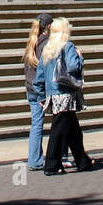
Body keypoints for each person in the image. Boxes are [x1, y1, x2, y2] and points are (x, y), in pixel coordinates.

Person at [33, 16, 95, 174]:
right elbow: (74, 67)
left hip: (53, 94)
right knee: (58, 130)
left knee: (74, 130)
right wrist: (80, 57)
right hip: (65, 93)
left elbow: (39, 76)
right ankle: (52, 165)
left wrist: (41, 96)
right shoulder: (68, 46)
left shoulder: (48, 49)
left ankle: (83, 161)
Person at [22, 12, 53, 170]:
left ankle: (35, 159)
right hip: (42, 89)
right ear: (48, 27)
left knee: (36, 124)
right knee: (59, 121)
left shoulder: (31, 43)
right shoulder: (46, 43)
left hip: (31, 88)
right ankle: (59, 155)